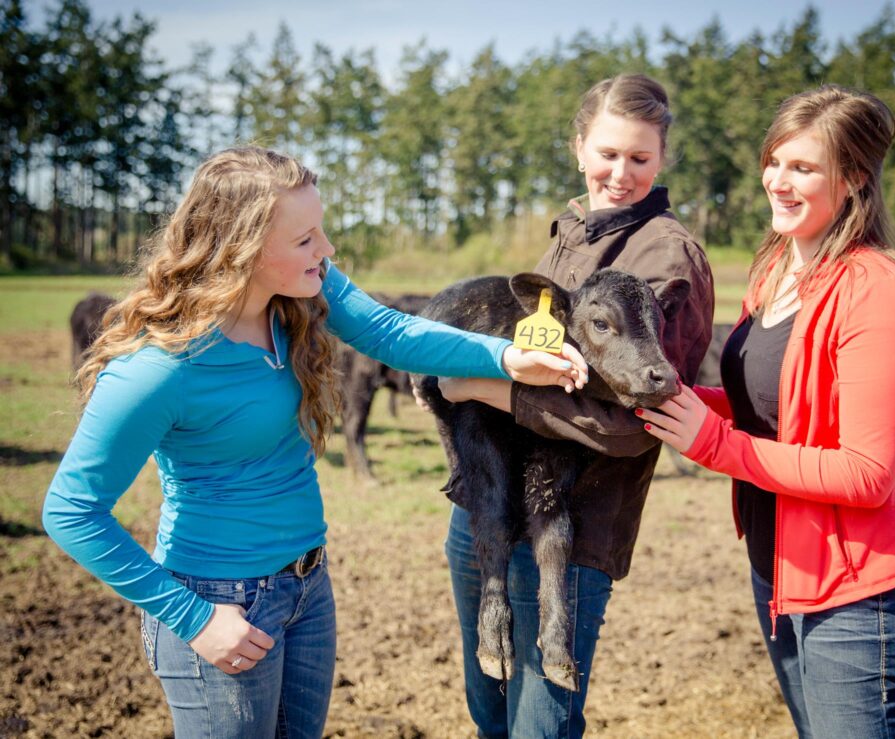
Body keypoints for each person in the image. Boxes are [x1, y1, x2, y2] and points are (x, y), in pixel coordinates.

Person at [41, 146, 590, 739]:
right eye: (305, 239)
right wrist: (194, 620)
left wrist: (508, 357)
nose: (325, 250)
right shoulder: (159, 369)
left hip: (306, 590)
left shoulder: (303, 296)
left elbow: (391, 331)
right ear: (242, 248)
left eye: (320, 230)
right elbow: (71, 511)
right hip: (218, 605)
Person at [638, 85, 895, 738]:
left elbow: (866, 472)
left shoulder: (877, 288)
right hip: (780, 568)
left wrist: (714, 443)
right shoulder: (776, 270)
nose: (778, 181)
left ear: (855, 177)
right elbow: (772, 412)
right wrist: (670, 400)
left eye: (803, 167)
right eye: (774, 161)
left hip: (860, 593)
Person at [435, 74, 714, 738]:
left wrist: (482, 387)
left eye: (640, 158)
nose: (620, 173)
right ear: (579, 146)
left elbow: (635, 420)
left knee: (539, 721)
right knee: (490, 710)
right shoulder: (569, 230)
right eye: (608, 153)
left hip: (573, 524)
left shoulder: (666, 257)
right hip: (487, 506)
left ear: (662, 158)